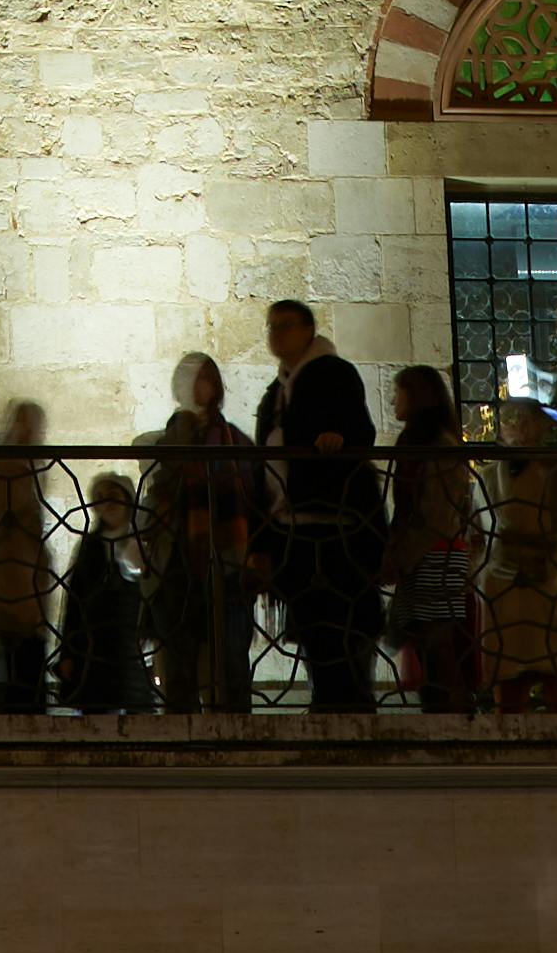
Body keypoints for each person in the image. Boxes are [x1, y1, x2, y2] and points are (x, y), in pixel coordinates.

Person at [255, 298, 387, 711]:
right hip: (295, 524)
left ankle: (348, 707)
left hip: (335, 524)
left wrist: (336, 439)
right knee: (315, 627)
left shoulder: (333, 374)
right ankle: (330, 702)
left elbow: (359, 431)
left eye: (286, 325)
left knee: (339, 624)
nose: (277, 333)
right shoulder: (278, 389)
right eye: (272, 326)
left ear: (309, 330)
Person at [142, 353, 264, 713]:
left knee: (229, 669)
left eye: (204, 378)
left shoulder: (234, 442)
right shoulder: (164, 443)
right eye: (189, 379)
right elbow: (156, 491)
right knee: (179, 670)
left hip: (226, 563)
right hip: (177, 565)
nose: (196, 387)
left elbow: (250, 499)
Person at [382, 364, 487, 718]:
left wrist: (401, 558)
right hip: (424, 557)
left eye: (400, 391)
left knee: (437, 646)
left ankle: (452, 722)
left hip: (435, 558)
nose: (395, 399)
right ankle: (441, 717)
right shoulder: (415, 442)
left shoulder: (439, 447)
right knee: (427, 646)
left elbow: (437, 515)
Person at [475, 394, 557, 706]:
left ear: (541, 427)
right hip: (504, 584)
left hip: (549, 577)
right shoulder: (486, 477)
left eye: (527, 420)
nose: (519, 428)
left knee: (554, 670)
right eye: (512, 420)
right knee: (508, 672)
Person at [0, 394, 59, 715]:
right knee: (19, 673)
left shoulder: (16, 463)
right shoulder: (8, 464)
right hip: (14, 578)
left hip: (22, 578)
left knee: (18, 669)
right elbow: (10, 513)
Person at [61, 469, 152, 715]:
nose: (107, 503)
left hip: (131, 643)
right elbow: (75, 599)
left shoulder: (145, 540)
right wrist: (68, 651)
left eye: (113, 495)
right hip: (95, 646)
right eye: (100, 497)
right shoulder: (90, 546)